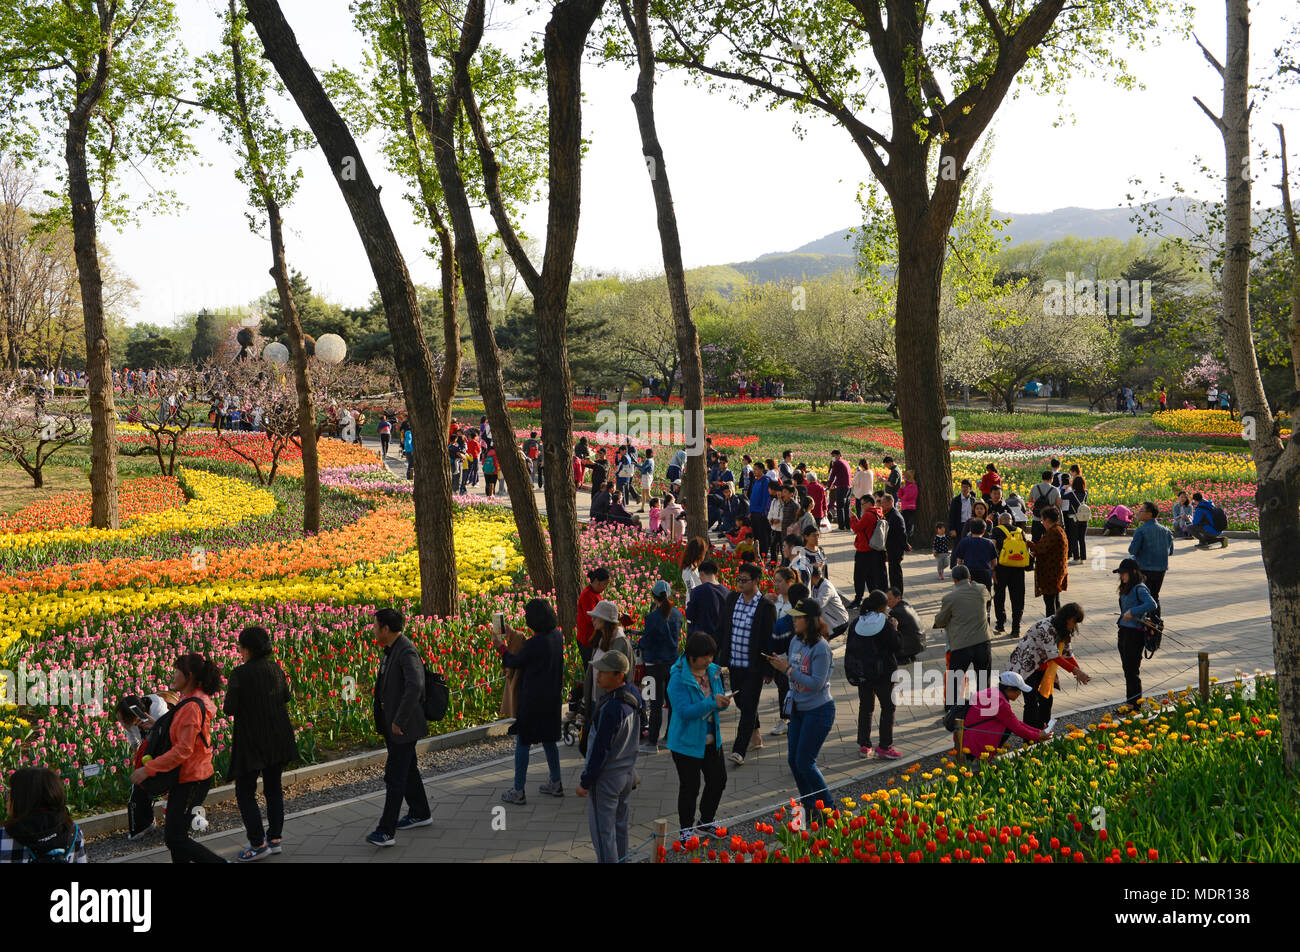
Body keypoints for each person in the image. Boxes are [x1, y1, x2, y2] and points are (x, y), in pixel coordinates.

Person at [130, 653, 225, 863]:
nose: (172, 675)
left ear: (188, 676)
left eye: (176, 671)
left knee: (175, 838)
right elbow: (184, 733)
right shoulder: (191, 699)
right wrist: (157, 725)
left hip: (192, 778)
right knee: (176, 836)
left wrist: (148, 769)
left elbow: (183, 750)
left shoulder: (192, 705)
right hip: (186, 776)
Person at [225, 626, 298, 862]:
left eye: (240, 646)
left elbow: (229, 708)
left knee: (245, 791)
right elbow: (286, 697)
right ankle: (274, 839)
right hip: (277, 736)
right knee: (273, 788)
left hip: (252, 740)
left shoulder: (240, 674)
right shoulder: (275, 668)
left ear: (246, 649)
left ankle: (257, 843)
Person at [364, 609, 430, 846]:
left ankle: (386, 831)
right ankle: (420, 812)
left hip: (403, 727)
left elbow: (415, 686)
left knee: (395, 777)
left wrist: (399, 720)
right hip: (394, 725)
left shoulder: (406, 650)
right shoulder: (392, 650)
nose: (373, 629)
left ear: (386, 629)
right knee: (408, 769)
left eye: (375, 626)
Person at [767, 598, 835, 824]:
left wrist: (787, 670)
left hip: (818, 711)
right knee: (793, 761)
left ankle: (829, 809)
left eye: (798, 617)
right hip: (797, 708)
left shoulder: (822, 648)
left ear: (810, 621)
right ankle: (809, 806)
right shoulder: (796, 641)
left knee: (805, 761)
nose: (793, 620)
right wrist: (780, 662)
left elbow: (816, 683)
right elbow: (793, 665)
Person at [495, 598, 565, 804]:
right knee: (549, 740)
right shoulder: (557, 636)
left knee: (523, 742)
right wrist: (512, 634)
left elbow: (514, 661)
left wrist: (500, 646)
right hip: (552, 697)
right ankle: (556, 782)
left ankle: (518, 790)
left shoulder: (536, 643)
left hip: (533, 699)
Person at [578, 652, 642, 863]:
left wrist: (586, 781)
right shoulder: (633, 694)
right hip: (626, 774)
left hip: (606, 780)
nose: (598, 676)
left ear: (618, 676)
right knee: (620, 826)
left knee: (604, 834)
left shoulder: (612, 708)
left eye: (603, 672)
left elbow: (600, 750)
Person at [666, 632, 730, 843]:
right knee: (690, 787)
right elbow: (684, 711)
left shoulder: (712, 671)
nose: (709, 660)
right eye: (705, 656)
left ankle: (706, 820)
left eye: (711, 655)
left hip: (713, 740)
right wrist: (713, 702)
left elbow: (716, 696)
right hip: (686, 744)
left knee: (718, 780)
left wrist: (722, 701)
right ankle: (685, 830)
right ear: (692, 656)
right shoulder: (677, 678)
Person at [716, 561, 777, 766]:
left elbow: (769, 640)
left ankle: (739, 750)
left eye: (745, 580)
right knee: (741, 702)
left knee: (749, 706)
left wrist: (769, 670)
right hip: (732, 664)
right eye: (738, 579)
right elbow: (724, 628)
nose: (740, 583)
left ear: (757, 581)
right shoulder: (732, 598)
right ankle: (756, 736)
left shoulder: (766, 607)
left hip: (754, 666)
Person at [1007, 604, 1091, 729]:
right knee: (1031, 703)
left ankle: (1043, 730)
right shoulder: (1045, 628)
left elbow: (1067, 652)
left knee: (1046, 699)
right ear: (1066, 618)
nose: (1074, 626)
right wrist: (1076, 671)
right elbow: (1055, 656)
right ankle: (1030, 737)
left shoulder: (1064, 628)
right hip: (1027, 667)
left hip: (1044, 667)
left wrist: (1078, 671)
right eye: (1074, 622)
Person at [846, 590, 901, 759]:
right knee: (888, 707)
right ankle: (885, 746)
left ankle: (864, 745)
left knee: (866, 707)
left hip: (863, 673)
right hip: (883, 673)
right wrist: (895, 628)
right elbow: (897, 645)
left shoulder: (856, 623)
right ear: (882, 607)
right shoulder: (885, 624)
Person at [115, 690, 176, 840]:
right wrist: (136, 752)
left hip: (167, 750)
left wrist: (155, 726)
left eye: (123, 720)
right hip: (148, 751)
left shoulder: (158, 709)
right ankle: (145, 823)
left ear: (134, 717)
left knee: (168, 787)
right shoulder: (130, 720)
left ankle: (175, 825)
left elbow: (171, 735)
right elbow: (132, 737)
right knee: (141, 785)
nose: (122, 724)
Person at [932, 565, 992, 713]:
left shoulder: (950, 598)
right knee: (983, 677)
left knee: (955, 679)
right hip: (983, 642)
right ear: (970, 577)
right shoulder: (981, 589)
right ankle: (984, 708)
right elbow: (988, 597)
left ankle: (952, 711)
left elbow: (940, 621)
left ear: (954, 580)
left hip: (961, 645)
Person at [0, 767, 88, 863]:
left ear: (21, 799)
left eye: (10, 792)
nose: (7, 797)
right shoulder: (72, 831)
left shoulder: (4, 835)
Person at [581, 600, 636, 753]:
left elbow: (626, 678)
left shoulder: (621, 643)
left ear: (606, 621)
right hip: (596, 702)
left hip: (610, 705)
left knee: (605, 750)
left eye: (596, 617)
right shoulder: (600, 639)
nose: (592, 619)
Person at [960, 671, 1051, 758]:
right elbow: (1016, 727)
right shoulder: (1000, 702)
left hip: (968, 735)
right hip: (973, 741)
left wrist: (1038, 732)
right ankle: (979, 756)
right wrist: (1038, 736)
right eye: (1019, 691)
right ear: (1009, 688)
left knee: (1007, 724)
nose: (1020, 694)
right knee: (1006, 727)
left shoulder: (994, 692)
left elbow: (1015, 722)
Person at [640, 580, 683, 751]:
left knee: (655, 704)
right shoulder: (678, 614)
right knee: (671, 702)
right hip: (672, 663)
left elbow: (647, 642)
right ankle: (669, 737)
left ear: (654, 597)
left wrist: (640, 642)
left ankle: (652, 742)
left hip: (653, 665)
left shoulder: (652, 618)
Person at [1115, 559, 1159, 703]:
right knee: (1127, 669)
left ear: (1133, 573)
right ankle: (1130, 701)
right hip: (1124, 631)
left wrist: (1133, 612)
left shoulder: (1139, 588)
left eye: (1124, 574)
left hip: (1134, 634)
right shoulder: (1126, 587)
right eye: (1120, 574)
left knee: (1132, 670)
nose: (1122, 577)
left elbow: (1152, 604)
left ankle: (1134, 703)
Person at [1129, 500, 1174, 607]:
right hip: (1161, 569)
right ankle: (1156, 621)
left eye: (1141, 511)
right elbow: (1170, 551)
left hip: (1145, 569)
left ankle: (1146, 621)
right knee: (1154, 596)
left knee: (1143, 597)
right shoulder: (1166, 531)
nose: (1138, 513)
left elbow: (1133, 550)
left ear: (1149, 514)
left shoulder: (1141, 530)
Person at [992, 513, 1030, 638]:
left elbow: (993, 547)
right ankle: (1016, 628)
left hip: (1001, 568)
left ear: (999, 521)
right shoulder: (1020, 531)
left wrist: (992, 569)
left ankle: (1000, 624)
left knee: (999, 596)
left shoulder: (996, 530)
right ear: (1011, 521)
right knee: (1017, 598)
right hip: (1018, 570)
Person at [849, 493, 887, 608]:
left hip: (864, 549)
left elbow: (856, 528)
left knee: (859, 576)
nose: (861, 506)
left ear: (870, 503)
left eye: (862, 504)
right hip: (874, 549)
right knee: (871, 576)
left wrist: (853, 518)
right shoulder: (879, 513)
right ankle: (875, 598)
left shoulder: (868, 515)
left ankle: (858, 599)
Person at [1028, 507, 1069, 616]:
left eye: (1042, 520)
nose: (1042, 523)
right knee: (1055, 600)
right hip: (1056, 572)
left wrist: (1029, 544)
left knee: (1050, 602)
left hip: (1051, 574)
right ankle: (1059, 625)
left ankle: (1052, 626)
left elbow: (1040, 549)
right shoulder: (1059, 530)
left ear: (1047, 520)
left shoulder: (1053, 532)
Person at [576, 567, 611, 666]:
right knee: (591, 670)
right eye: (604, 584)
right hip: (588, 639)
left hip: (594, 637)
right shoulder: (588, 595)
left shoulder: (595, 592)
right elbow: (591, 619)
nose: (605, 587)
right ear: (596, 581)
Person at [685, 559, 730, 636]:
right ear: (716, 573)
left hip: (701, 637)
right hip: (720, 638)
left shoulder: (697, 591)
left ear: (701, 574)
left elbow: (690, 615)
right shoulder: (727, 592)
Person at [877, 492, 909, 593]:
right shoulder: (888, 514)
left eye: (883, 503)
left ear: (890, 502)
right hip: (891, 548)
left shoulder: (895, 516)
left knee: (895, 574)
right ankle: (894, 592)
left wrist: (905, 546)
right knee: (893, 572)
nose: (881, 505)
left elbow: (901, 533)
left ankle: (898, 593)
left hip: (895, 549)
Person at [885, 587, 926, 663]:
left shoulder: (896, 612)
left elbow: (888, 631)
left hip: (913, 644)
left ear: (898, 598)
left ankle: (903, 656)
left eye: (889, 599)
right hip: (920, 643)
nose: (887, 602)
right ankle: (908, 655)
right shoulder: (906, 605)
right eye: (886, 599)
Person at [809, 564, 849, 639]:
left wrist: (805, 600)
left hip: (838, 622)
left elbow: (819, 603)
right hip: (829, 620)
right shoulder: (815, 586)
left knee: (819, 641)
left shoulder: (826, 586)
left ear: (812, 576)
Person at [947, 479, 976, 567]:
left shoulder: (973, 500)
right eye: (963, 487)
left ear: (970, 488)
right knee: (957, 546)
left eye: (966, 487)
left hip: (971, 525)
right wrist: (952, 529)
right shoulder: (956, 500)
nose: (964, 489)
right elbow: (951, 516)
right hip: (959, 525)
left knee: (970, 545)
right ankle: (953, 566)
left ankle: (967, 565)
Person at [1061, 476, 1089, 563]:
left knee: (1074, 538)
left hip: (1074, 518)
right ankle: (1083, 558)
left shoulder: (1072, 494)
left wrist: (1064, 488)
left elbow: (1062, 496)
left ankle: (1076, 558)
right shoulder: (1086, 493)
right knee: (1082, 539)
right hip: (1084, 518)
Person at [1028, 471, 1061, 544]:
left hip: (1036, 518)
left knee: (1035, 540)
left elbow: (1030, 500)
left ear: (1042, 478)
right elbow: (1059, 503)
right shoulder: (1055, 489)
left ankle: (1035, 555)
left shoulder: (1035, 487)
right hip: (1049, 521)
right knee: (1049, 541)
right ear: (1051, 478)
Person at [828, 449, 853, 529]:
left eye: (833, 456)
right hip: (848, 487)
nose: (833, 458)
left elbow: (832, 475)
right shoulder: (845, 462)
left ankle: (841, 526)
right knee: (846, 507)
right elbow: (842, 475)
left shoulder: (837, 463)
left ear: (838, 455)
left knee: (840, 507)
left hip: (842, 487)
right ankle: (847, 525)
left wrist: (829, 486)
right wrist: (834, 484)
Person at [898, 469, 919, 538]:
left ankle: (908, 536)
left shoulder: (913, 486)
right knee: (905, 523)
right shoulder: (906, 486)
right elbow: (900, 495)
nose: (905, 478)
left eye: (906, 477)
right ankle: (906, 536)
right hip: (905, 507)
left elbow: (907, 497)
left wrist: (902, 497)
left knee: (908, 523)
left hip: (910, 507)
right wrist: (901, 488)